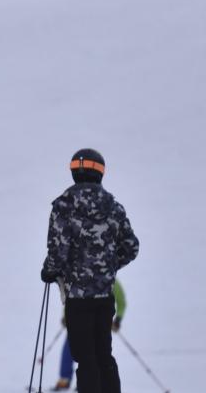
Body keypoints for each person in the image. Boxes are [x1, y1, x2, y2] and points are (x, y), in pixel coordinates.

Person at [41, 149, 138, 393]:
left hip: (78, 298)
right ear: (101, 173)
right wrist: (106, 268)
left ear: (74, 172)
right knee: (104, 355)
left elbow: (58, 251)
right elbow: (131, 247)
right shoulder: (113, 206)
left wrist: (50, 271)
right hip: (104, 296)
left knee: (86, 359)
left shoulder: (63, 205)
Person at [53, 279, 126, 391]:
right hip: (79, 319)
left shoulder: (110, 279)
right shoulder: (80, 274)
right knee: (71, 349)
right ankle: (66, 379)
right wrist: (66, 317)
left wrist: (118, 320)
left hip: (98, 321)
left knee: (94, 353)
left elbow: (121, 301)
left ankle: (91, 383)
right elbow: (71, 297)